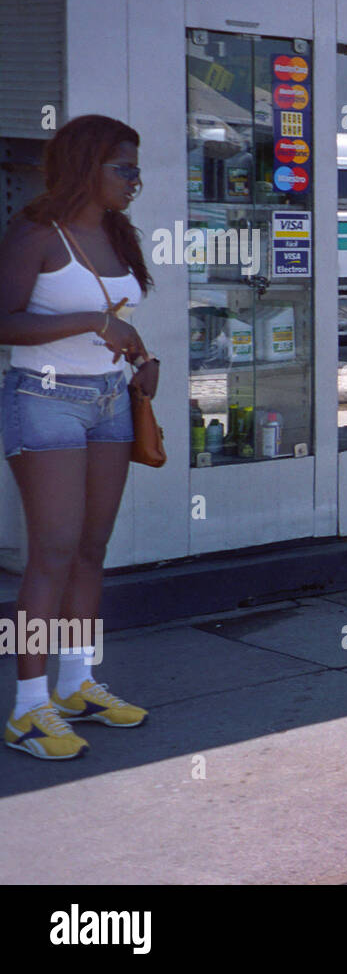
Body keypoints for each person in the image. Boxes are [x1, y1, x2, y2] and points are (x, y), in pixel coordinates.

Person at [0, 114, 157, 761]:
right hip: (44, 399)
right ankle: (27, 708)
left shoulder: (119, 235)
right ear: (86, 165)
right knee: (52, 553)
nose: (135, 181)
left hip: (111, 401)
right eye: (124, 168)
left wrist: (142, 362)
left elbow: (118, 327)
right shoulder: (37, 232)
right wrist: (92, 319)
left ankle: (76, 683)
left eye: (136, 168)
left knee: (91, 549)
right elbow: (3, 322)